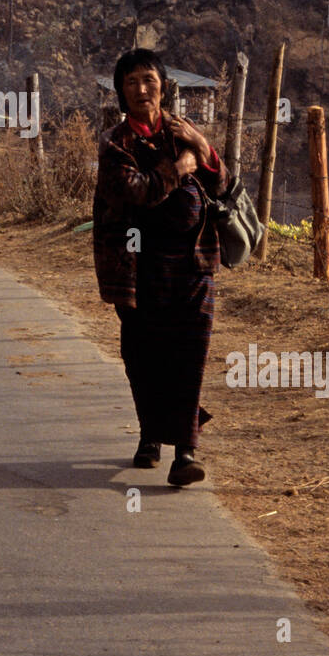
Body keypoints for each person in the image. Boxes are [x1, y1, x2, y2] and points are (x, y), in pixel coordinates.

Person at [93, 49, 229, 487]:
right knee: (143, 355)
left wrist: (203, 151)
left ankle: (186, 451)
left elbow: (221, 182)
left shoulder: (185, 133)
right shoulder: (116, 144)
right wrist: (180, 167)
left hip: (194, 264)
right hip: (136, 266)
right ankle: (151, 434)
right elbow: (135, 192)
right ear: (121, 92)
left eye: (148, 79)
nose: (141, 89)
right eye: (131, 82)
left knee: (190, 354)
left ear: (163, 85)